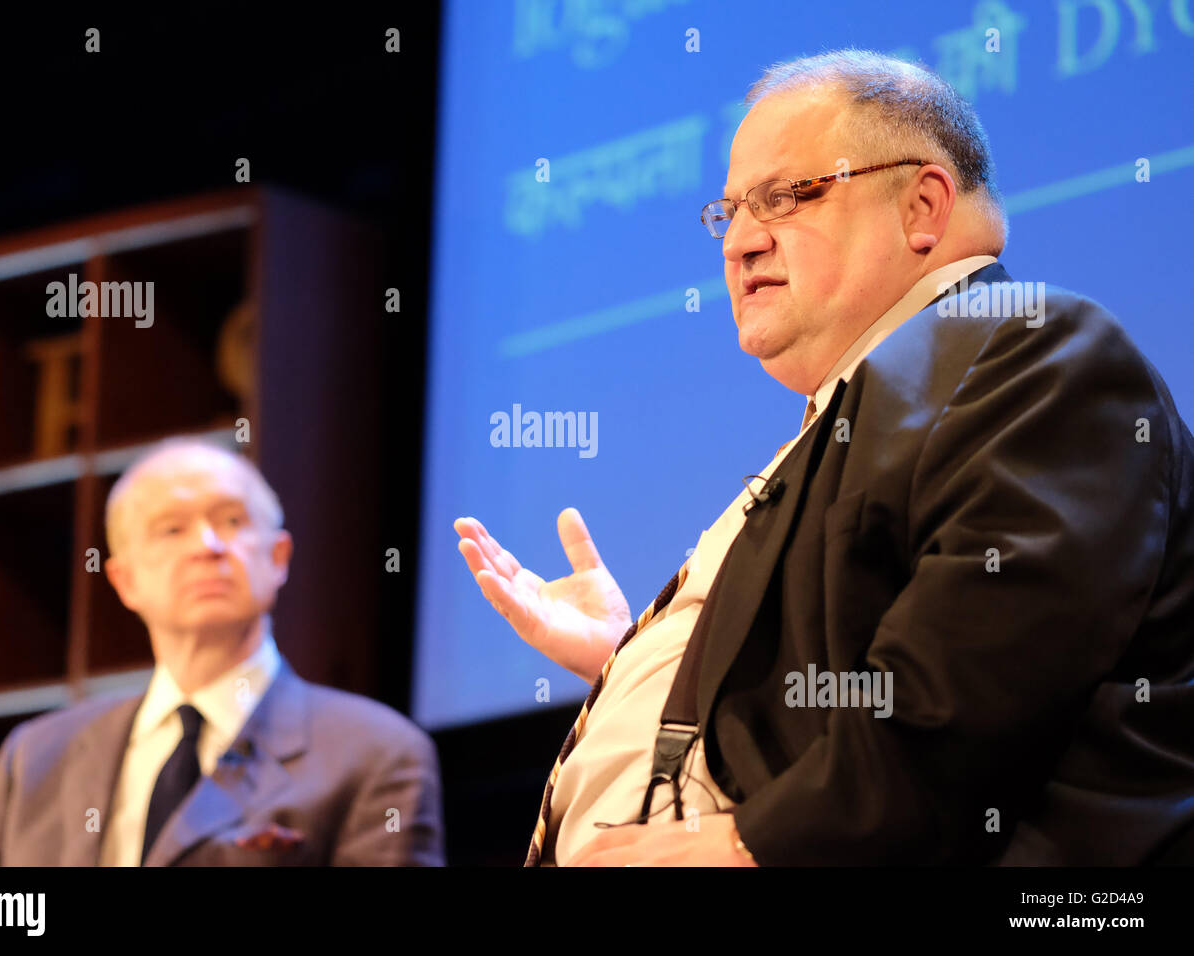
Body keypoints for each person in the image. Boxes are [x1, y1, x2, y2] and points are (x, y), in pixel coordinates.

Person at [455, 48, 1194, 866]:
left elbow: (973, 694)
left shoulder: (1033, 352)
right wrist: (648, 659)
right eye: (728, 211)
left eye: (782, 198)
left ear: (921, 206)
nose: (737, 242)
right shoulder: (855, 413)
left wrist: (744, 844)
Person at [0, 438, 444, 866]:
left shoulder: (376, 754)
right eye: (171, 529)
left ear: (278, 558)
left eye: (231, 520)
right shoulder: (33, 758)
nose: (207, 545)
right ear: (125, 581)